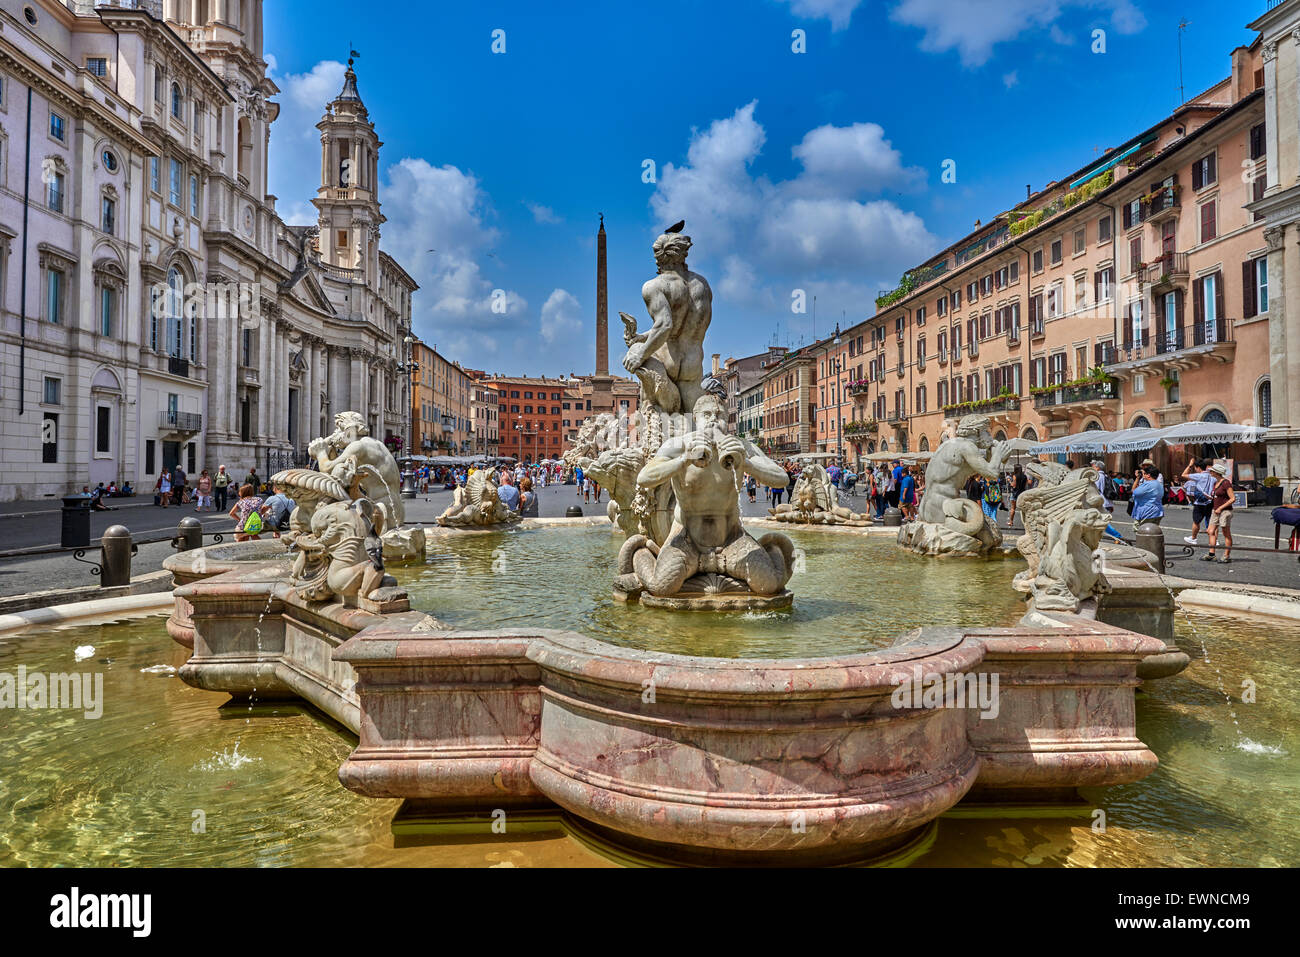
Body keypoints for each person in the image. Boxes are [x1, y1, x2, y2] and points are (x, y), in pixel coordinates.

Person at [1202, 463, 1234, 563]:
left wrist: (1221, 507)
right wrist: (1211, 498)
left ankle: (1226, 555)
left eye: (1212, 471)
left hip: (1225, 511)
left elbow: (1232, 498)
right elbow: (1219, 496)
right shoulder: (1216, 483)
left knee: (1226, 533)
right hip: (1215, 510)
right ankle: (1212, 554)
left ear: (1216, 472)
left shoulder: (1226, 483)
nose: (1210, 472)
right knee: (1210, 531)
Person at [1181, 458, 1215, 547]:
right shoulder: (1212, 476)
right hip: (1210, 501)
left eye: (1195, 467)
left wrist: (1190, 465)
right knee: (1211, 521)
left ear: (1198, 467)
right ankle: (1214, 539)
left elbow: (1183, 474)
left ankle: (1193, 538)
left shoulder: (1199, 475)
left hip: (1200, 502)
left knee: (1196, 521)